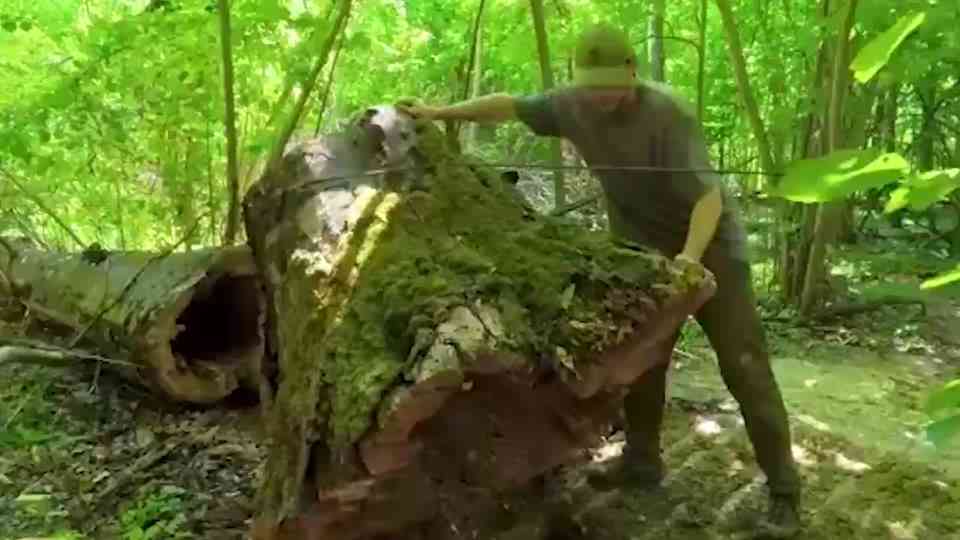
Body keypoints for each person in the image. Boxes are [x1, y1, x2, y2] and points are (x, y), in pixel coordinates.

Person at [398, 22, 802, 538]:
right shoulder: (569, 105)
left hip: (710, 248)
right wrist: (439, 113)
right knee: (644, 362)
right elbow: (509, 106)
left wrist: (689, 259)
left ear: (632, 72)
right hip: (639, 250)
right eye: (591, 87)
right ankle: (642, 462)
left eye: (610, 85)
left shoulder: (668, 114)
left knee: (744, 366)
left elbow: (708, 198)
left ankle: (784, 493)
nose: (601, 97)